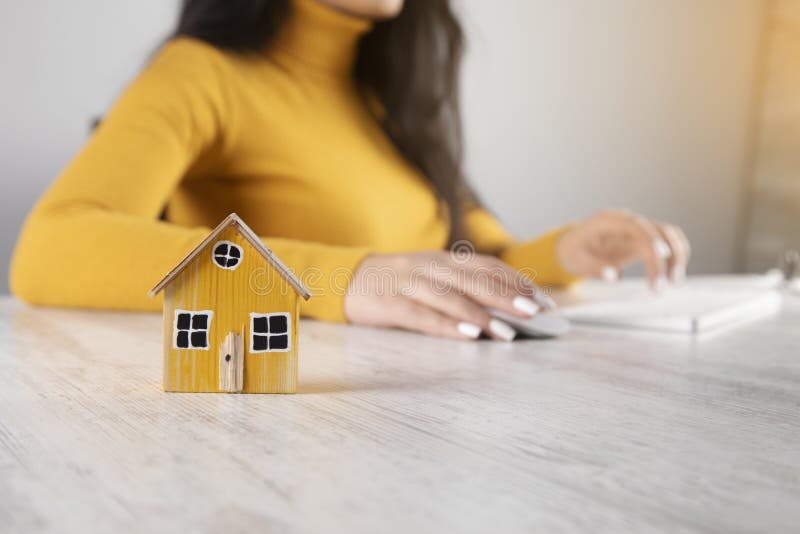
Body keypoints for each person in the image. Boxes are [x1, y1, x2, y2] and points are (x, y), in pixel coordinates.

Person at [9, 0, 690, 341]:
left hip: (438, 430)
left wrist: (568, 251)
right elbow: (49, 249)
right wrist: (340, 277)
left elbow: (474, 256)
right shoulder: (202, 74)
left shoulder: (385, 101)